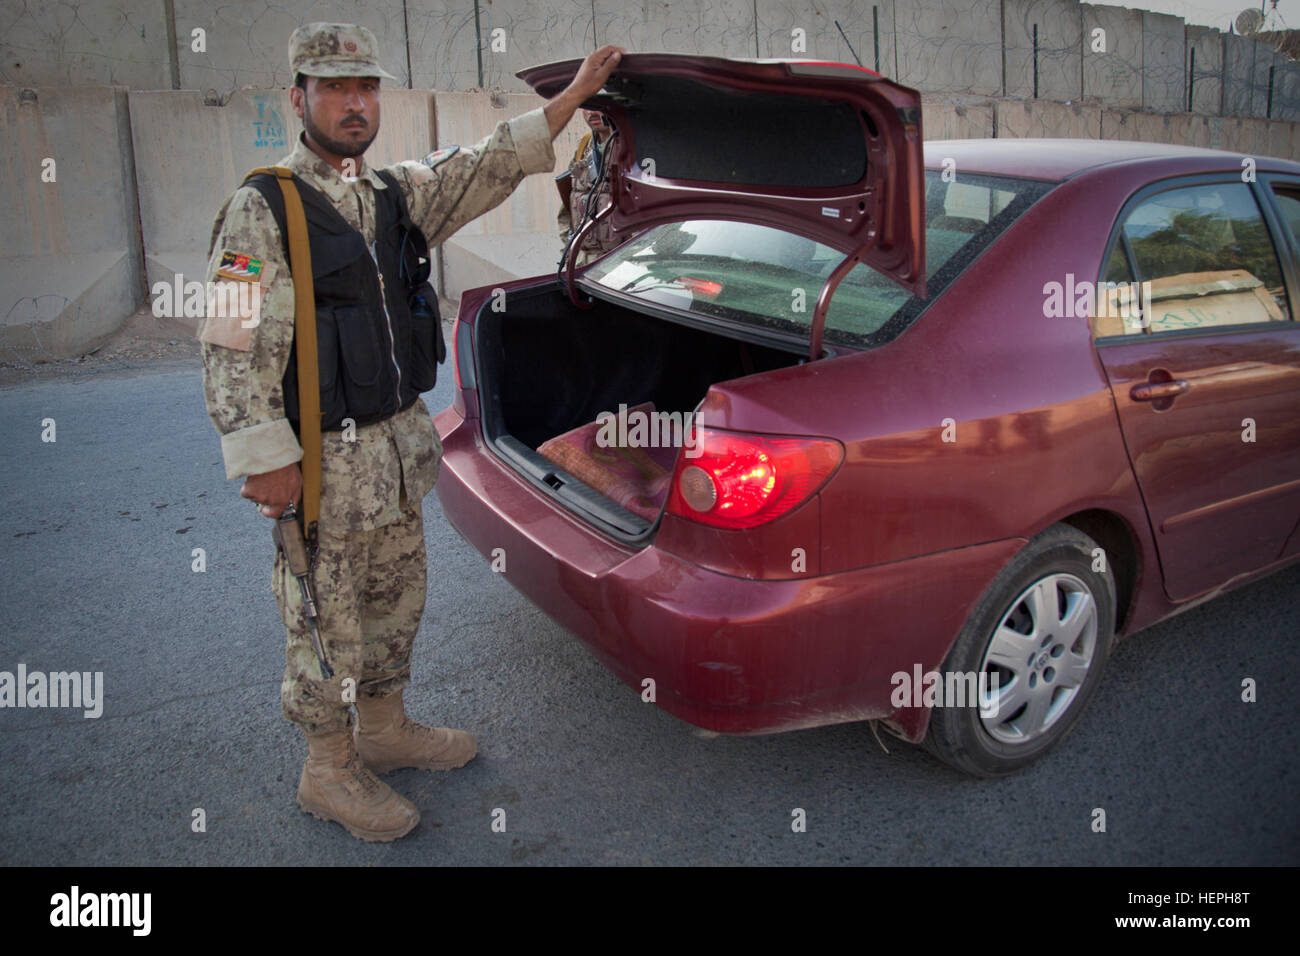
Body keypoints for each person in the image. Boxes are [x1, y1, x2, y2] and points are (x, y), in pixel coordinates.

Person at [199, 21, 624, 842]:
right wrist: (263, 457)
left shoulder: (393, 196)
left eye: (366, 89)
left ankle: (385, 731)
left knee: (396, 603)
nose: (354, 104)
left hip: (394, 454)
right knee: (325, 619)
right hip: (318, 464)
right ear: (299, 99)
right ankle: (327, 768)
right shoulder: (263, 210)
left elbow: (487, 164)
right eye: (334, 89)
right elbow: (229, 341)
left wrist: (572, 102)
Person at [556, 108, 620, 268]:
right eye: (586, 106)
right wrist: (570, 248)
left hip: (619, 265)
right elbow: (570, 202)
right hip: (582, 265)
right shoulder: (584, 145)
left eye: (597, 105)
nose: (592, 112)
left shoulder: (630, 148)